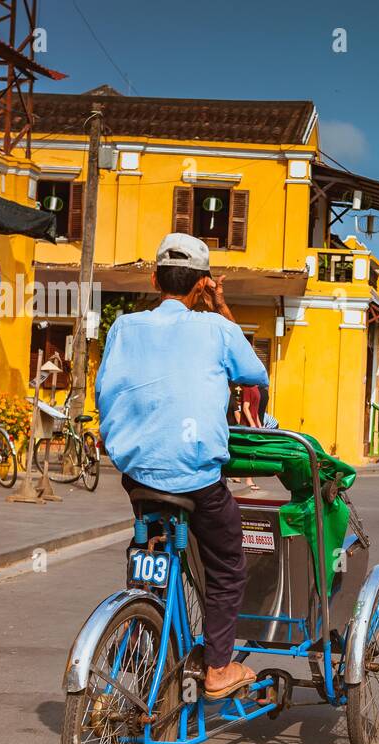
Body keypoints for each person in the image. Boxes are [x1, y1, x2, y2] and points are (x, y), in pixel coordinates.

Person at [96, 233, 269, 701]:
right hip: (197, 477)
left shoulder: (123, 327)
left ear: (154, 279)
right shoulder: (215, 328)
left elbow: (104, 392)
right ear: (201, 285)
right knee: (228, 563)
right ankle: (217, 669)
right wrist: (219, 308)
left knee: (149, 551)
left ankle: (137, 629)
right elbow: (256, 374)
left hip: (136, 474)